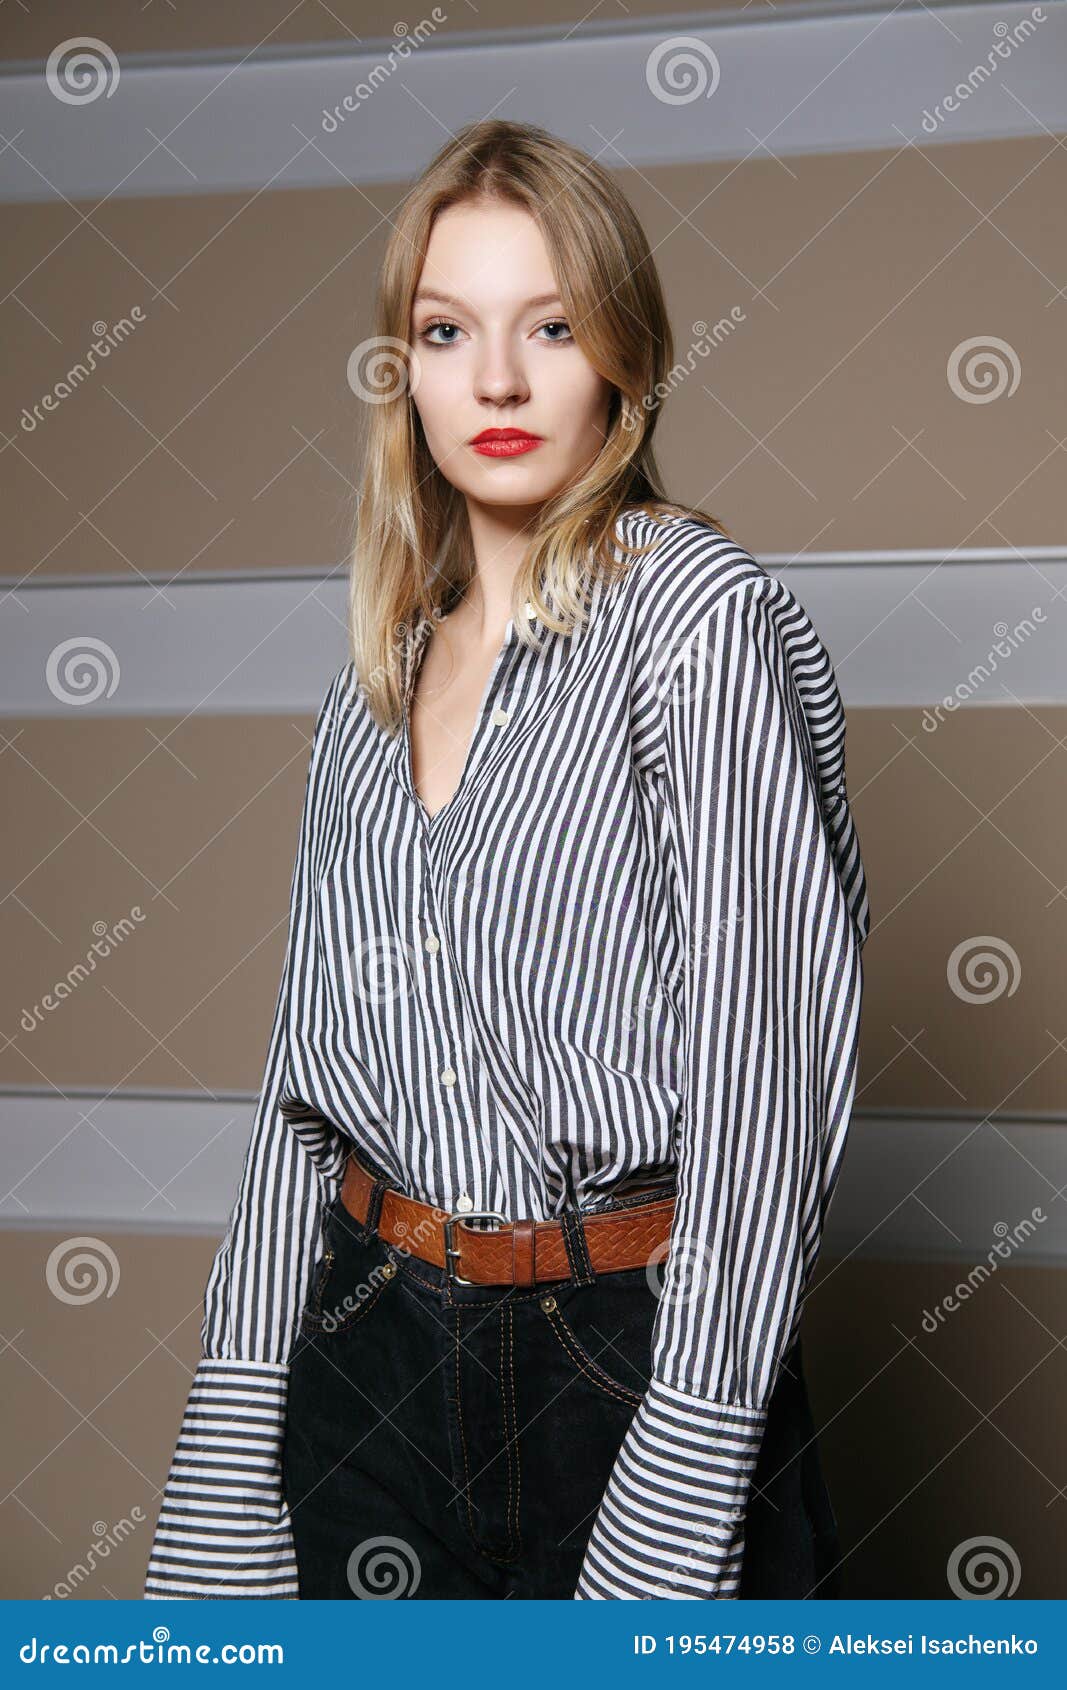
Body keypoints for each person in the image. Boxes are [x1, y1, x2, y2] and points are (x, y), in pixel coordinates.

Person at [144, 118, 869, 1601]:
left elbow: (768, 1068)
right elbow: (305, 1086)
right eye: (444, 328)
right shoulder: (376, 669)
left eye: (550, 324)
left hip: (628, 1353)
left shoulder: (697, 615)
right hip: (369, 1345)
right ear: (398, 367)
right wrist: (227, 1452)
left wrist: (687, 1449)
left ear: (624, 350)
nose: (495, 377)